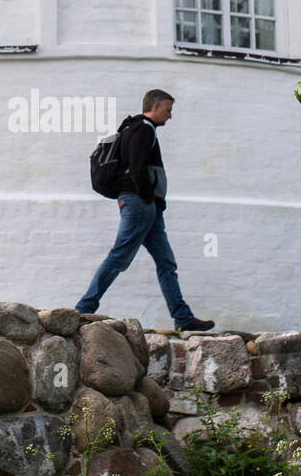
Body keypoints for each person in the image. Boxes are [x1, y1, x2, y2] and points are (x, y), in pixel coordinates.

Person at [75, 89, 214, 331]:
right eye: (168, 110)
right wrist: (148, 196)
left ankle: (182, 317)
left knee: (166, 262)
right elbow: (137, 166)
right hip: (140, 204)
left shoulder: (133, 129)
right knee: (120, 256)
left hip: (146, 206)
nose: (170, 116)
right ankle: (83, 309)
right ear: (156, 106)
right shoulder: (143, 129)